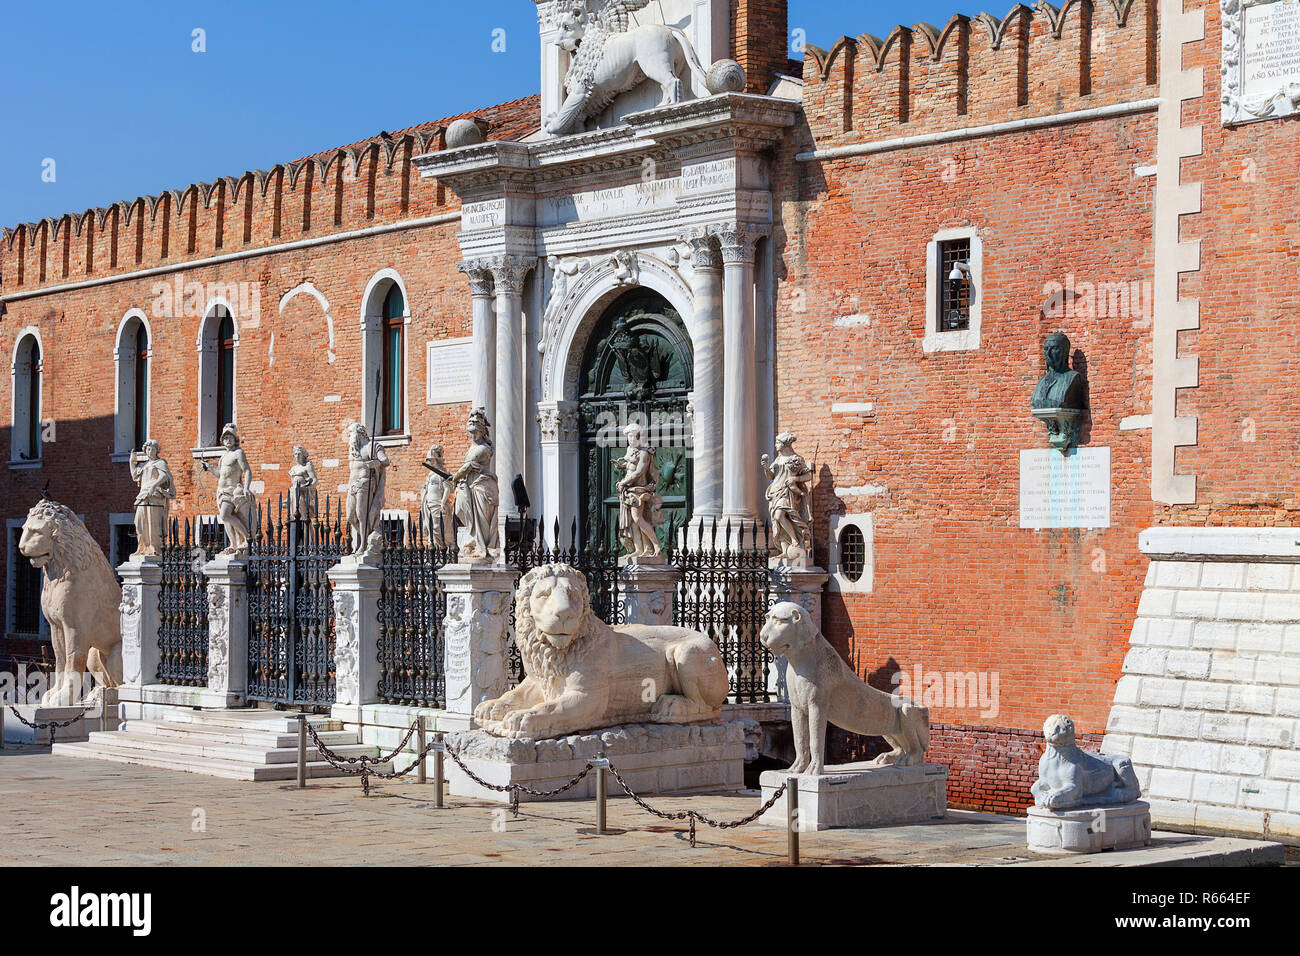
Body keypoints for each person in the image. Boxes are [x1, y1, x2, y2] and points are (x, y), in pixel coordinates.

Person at [451, 408, 500, 563]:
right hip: (473, 487)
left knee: (483, 522)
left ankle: (482, 548)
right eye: (470, 423)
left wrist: (454, 478)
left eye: (476, 425)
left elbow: (467, 466)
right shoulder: (473, 447)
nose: (473, 428)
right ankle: (476, 544)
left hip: (483, 488)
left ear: (482, 430)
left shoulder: (482, 449)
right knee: (461, 511)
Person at [761, 432, 813, 564]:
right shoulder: (778, 460)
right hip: (775, 492)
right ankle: (785, 550)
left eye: (778, 442)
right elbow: (771, 476)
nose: (775, 445)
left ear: (785, 444)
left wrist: (795, 478)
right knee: (777, 522)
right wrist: (766, 468)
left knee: (780, 515)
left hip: (788, 493)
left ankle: (795, 540)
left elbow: (808, 476)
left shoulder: (795, 459)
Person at [613, 421, 663, 560]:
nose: (629, 439)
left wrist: (623, 482)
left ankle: (656, 545)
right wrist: (621, 466)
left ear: (638, 436)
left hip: (638, 490)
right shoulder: (631, 450)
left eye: (631, 436)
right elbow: (631, 467)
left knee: (638, 518)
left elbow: (638, 472)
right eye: (628, 436)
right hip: (628, 490)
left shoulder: (644, 453)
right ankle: (639, 549)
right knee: (632, 521)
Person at [345, 423, 389, 559]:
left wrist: (377, 462)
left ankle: (363, 544)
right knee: (350, 516)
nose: (350, 436)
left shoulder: (373, 446)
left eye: (351, 432)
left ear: (359, 432)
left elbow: (385, 461)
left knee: (361, 514)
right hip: (352, 484)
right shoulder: (353, 448)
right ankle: (370, 537)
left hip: (366, 483)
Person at [129, 438, 175, 558]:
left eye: (153, 449)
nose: (150, 451)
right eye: (148, 449)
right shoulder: (144, 465)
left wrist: (154, 485)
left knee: (153, 522)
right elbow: (135, 476)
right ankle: (142, 548)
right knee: (139, 522)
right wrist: (132, 462)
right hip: (142, 495)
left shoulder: (160, 463)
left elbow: (165, 476)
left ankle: (154, 548)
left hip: (155, 496)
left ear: (156, 450)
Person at [214, 423, 253, 555]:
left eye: (230, 437)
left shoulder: (238, 453)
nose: (228, 440)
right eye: (225, 438)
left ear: (235, 438)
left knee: (225, 515)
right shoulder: (223, 456)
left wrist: (246, 488)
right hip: (221, 491)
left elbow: (247, 470)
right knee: (225, 519)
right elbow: (221, 474)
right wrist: (209, 469)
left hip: (232, 490)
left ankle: (247, 538)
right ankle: (234, 544)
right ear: (222, 440)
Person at [420, 444, 454, 548]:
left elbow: (447, 489)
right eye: (429, 460)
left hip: (438, 504)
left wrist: (443, 503)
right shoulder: (431, 474)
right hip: (429, 504)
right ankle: (435, 549)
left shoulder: (442, 473)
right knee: (431, 528)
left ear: (436, 460)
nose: (429, 462)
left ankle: (443, 549)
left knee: (437, 527)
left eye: (431, 460)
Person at [287, 445, 319, 521]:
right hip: (293, 494)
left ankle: (306, 532)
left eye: (299, 454)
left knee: (303, 515)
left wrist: (306, 488)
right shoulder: (293, 469)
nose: (297, 456)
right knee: (293, 515)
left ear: (303, 455)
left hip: (303, 494)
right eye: (295, 454)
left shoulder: (307, 466)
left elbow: (315, 480)